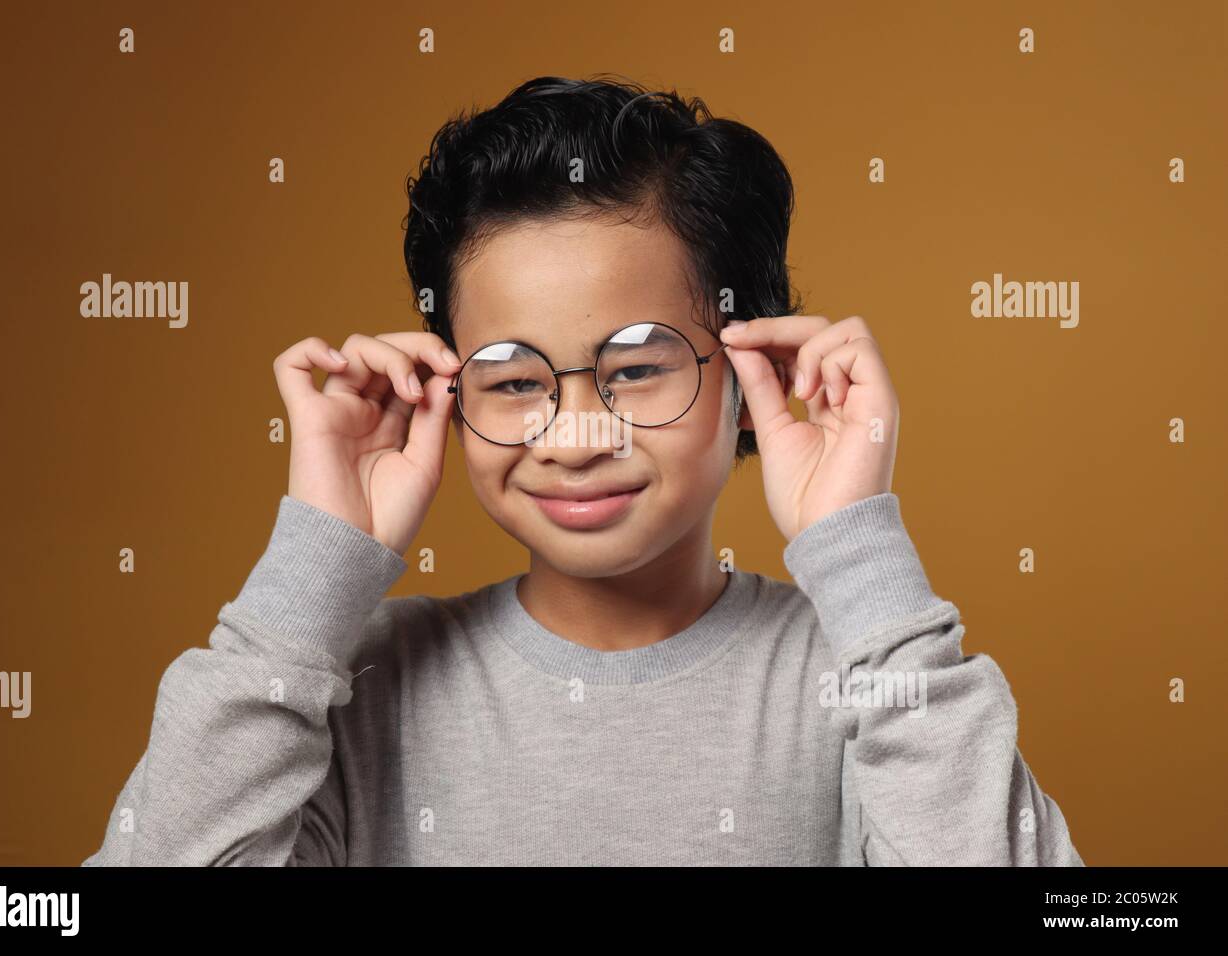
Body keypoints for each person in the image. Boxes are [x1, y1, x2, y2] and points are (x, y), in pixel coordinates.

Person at [84, 74, 1084, 866]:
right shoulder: (346, 681)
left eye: (638, 366)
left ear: (751, 362)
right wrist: (312, 568)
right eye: (511, 378)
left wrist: (861, 553)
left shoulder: (861, 674)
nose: (573, 434)